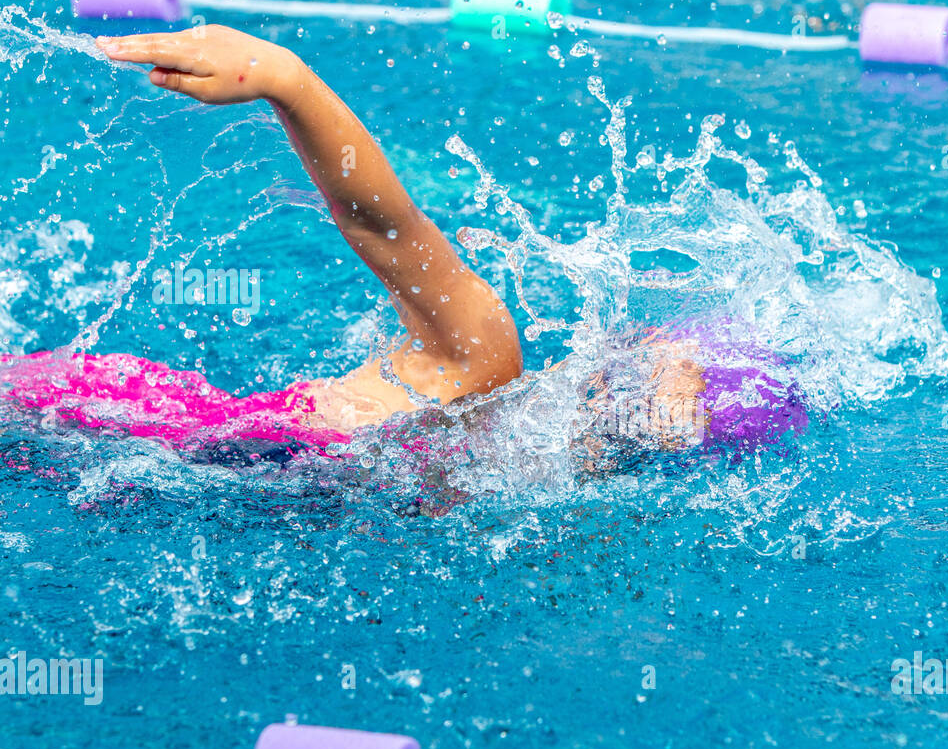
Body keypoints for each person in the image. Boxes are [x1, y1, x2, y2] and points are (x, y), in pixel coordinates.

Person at [0, 25, 806, 467]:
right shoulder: (481, 363)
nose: (618, 421)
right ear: (616, 358)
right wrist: (285, 78)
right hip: (86, 416)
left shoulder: (521, 497)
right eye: (639, 395)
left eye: (649, 432)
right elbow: (380, 222)